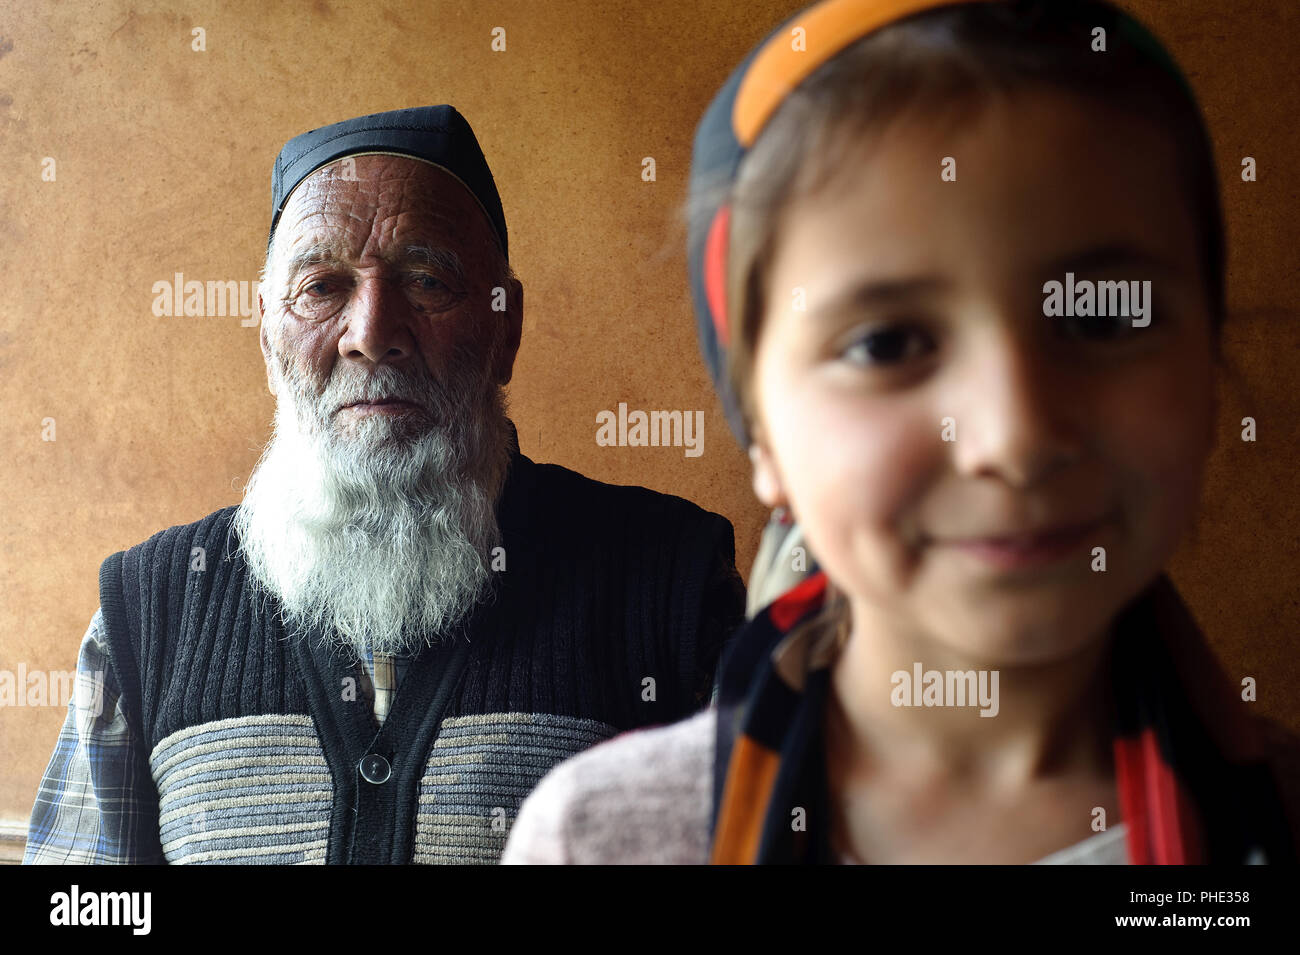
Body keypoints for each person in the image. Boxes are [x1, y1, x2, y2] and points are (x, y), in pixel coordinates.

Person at [501, 0, 1300, 864]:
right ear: (762, 437)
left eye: (1102, 320)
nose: (1015, 436)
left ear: (1209, 367)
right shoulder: (603, 839)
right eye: (885, 343)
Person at [23, 105, 745, 865]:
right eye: (322, 285)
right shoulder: (147, 612)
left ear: (506, 329)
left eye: (428, 279)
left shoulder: (672, 584)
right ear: (268, 338)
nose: (372, 328)